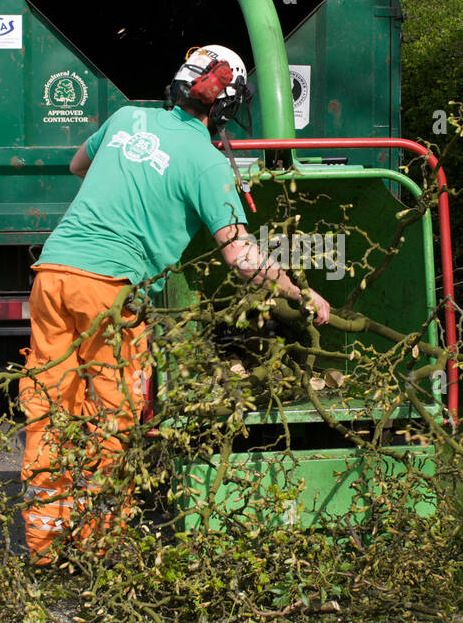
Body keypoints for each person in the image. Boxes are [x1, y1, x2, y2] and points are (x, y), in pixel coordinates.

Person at [18, 45, 331, 564]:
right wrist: (300, 292)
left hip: (52, 274)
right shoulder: (208, 162)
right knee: (114, 418)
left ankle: (44, 546)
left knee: (51, 406)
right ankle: (97, 546)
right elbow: (242, 256)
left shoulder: (125, 117)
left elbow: (79, 166)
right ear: (226, 108)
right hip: (111, 289)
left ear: (179, 85)